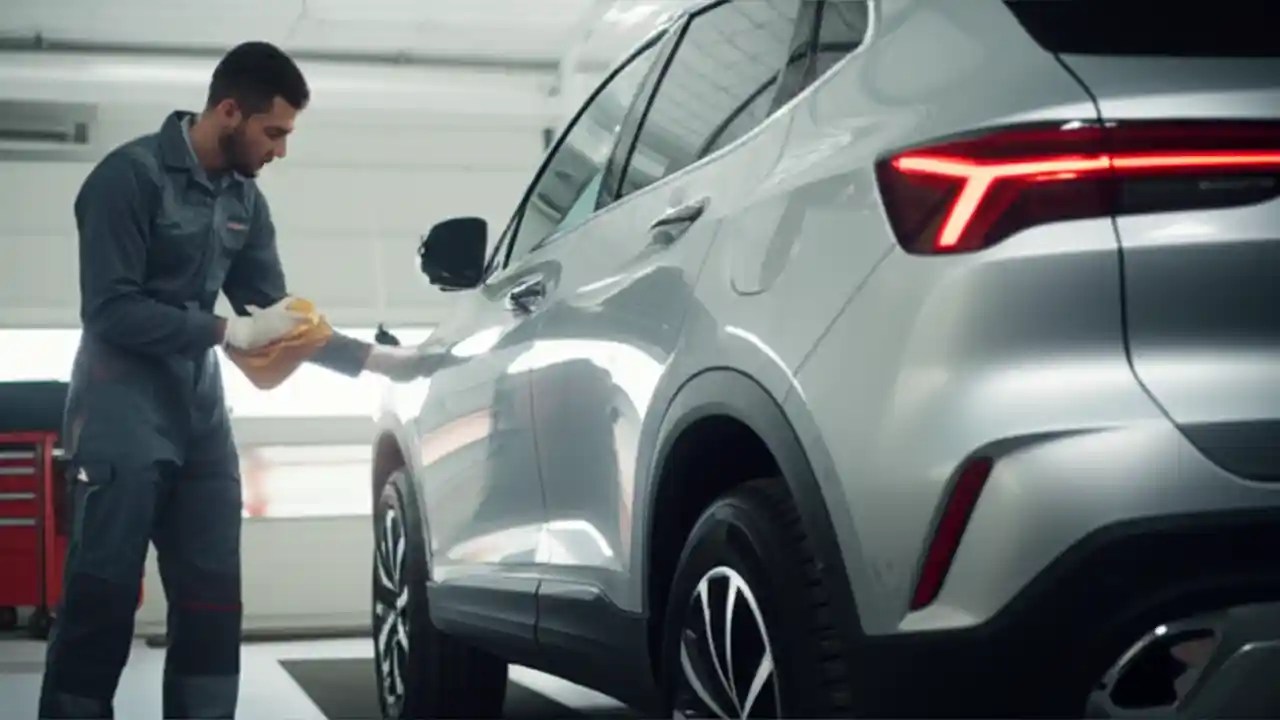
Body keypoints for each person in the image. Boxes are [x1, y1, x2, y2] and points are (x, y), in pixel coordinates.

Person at [38, 40, 411, 718]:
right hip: (119, 416)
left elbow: (274, 317)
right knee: (103, 603)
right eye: (275, 132)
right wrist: (221, 332)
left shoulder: (244, 199)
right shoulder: (128, 179)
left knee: (212, 605)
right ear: (230, 113)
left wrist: (378, 361)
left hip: (201, 424)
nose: (281, 150)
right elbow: (110, 310)